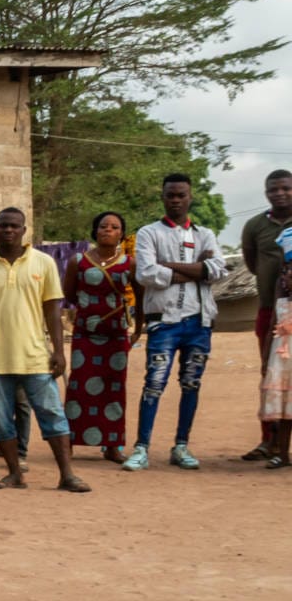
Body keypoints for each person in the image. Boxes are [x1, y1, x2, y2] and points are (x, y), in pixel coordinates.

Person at [0, 207, 90, 492]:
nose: (8, 230)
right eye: (3, 226)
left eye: (14, 226)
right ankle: (14, 474)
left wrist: (58, 352)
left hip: (35, 356)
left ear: (24, 230)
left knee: (52, 415)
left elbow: (52, 310)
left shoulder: (44, 263)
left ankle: (67, 475)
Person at [125, 173, 224, 471]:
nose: (177, 200)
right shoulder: (148, 233)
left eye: (182, 195)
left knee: (191, 383)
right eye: (171, 195)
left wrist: (167, 265)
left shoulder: (205, 233)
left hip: (199, 321)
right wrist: (198, 268)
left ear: (190, 197)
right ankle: (141, 447)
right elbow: (145, 274)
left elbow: (218, 270)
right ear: (163, 197)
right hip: (163, 322)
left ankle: (181, 445)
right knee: (154, 383)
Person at [63, 211, 139, 463]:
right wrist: (91, 311)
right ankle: (71, 440)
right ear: (95, 231)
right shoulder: (78, 261)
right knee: (79, 386)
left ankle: (113, 444)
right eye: (103, 226)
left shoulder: (130, 263)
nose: (108, 230)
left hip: (116, 334)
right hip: (85, 333)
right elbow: (70, 295)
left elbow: (138, 295)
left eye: (114, 227)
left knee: (114, 386)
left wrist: (137, 329)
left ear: (121, 234)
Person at [237, 170, 292, 461]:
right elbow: (251, 262)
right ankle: (267, 441)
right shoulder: (255, 226)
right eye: (273, 189)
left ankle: (283, 447)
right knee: (270, 376)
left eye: (285, 188)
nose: (279, 193)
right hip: (271, 311)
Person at [258, 234, 292, 466]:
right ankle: (282, 452)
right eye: (285, 270)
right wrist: (265, 361)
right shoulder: (280, 292)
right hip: (281, 361)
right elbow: (272, 325)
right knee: (284, 408)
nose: (287, 275)